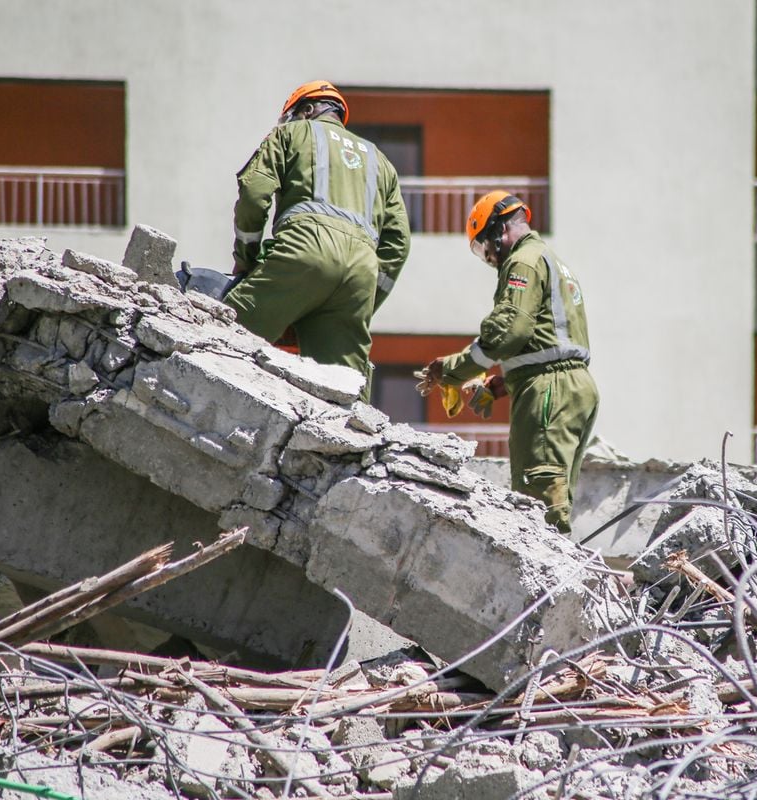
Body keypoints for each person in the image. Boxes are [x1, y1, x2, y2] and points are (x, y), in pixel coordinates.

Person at [419, 191, 599, 533]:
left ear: (499, 230)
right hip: (571, 388)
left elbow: (509, 330)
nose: (488, 258)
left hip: (549, 390)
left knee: (538, 504)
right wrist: (503, 383)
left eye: (485, 247)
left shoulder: (522, 262)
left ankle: (544, 568)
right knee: (554, 495)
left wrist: (453, 370)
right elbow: (549, 341)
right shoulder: (550, 260)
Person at [225, 80, 410, 400]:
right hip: (359, 277)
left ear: (308, 109)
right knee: (346, 396)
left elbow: (254, 194)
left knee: (223, 335)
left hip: (304, 253)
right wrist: (364, 302)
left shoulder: (290, 134)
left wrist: (247, 262)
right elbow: (399, 245)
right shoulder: (381, 162)